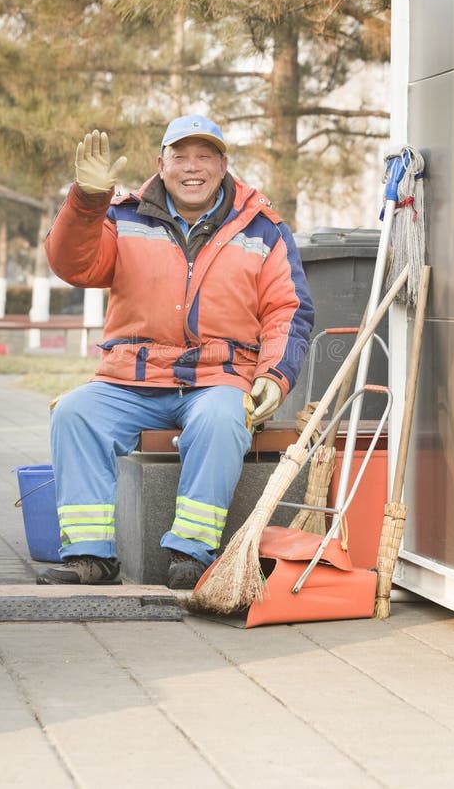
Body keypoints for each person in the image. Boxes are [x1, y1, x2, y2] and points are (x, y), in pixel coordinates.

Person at [37, 114, 315, 589]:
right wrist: (87, 202)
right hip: (131, 378)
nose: (193, 167)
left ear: (223, 165)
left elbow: (290, 310)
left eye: (205, 156)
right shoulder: (121, 215)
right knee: (76, 413)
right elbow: (72, 265)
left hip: (217, 379)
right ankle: (91, 557)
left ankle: (191, 553)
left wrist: (274, 374)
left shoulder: (263, 227)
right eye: (180, 156)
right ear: (160, 164)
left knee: (222, 419)